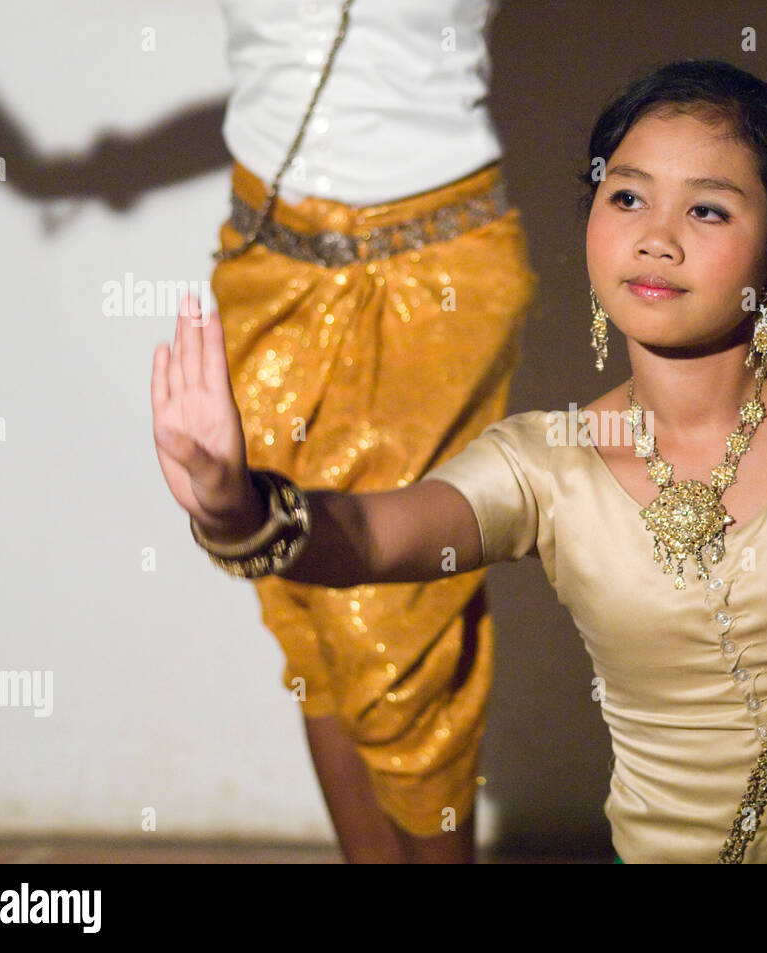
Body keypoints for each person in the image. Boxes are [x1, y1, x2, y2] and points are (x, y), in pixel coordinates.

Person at [153, 59, 767, 863]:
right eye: (627, 196)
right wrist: (236, 509)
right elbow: (369, 536)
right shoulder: (545, 464)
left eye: (708, 209)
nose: (656, 237)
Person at [207, 0, 535, 863]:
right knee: (299, 598)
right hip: (265, 255)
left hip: (434, 273)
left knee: (394, 637)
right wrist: (97, 165)